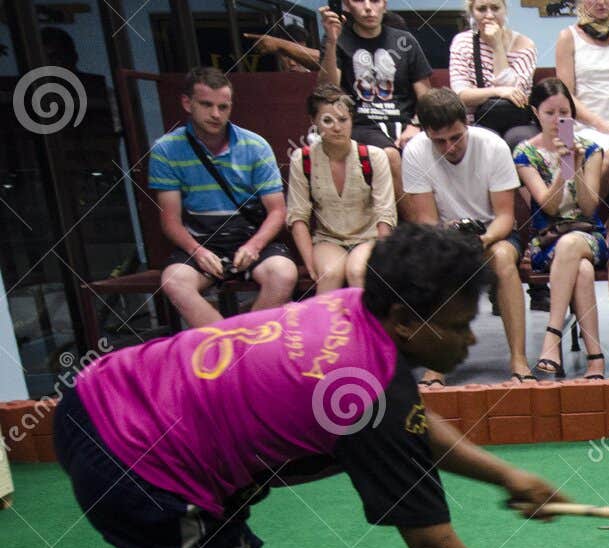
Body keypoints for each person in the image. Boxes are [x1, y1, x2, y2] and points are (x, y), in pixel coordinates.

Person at [0, 226, 589, 548]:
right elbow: (432, 542)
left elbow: (411, 418)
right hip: (135, 466)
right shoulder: (367, 393)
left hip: (103, 396)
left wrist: (503, 475)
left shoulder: (362, 306)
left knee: (249, 479)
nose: (467, 342)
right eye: (460, 328)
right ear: (407, 321)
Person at [152, 68, 298, 330]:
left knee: (284, 273)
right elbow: (170, 221)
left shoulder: (255, 146)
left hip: (251, 234)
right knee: (174, 281)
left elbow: (277, 211)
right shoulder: (166, 149)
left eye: (223, 106)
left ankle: (246, 344)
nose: (216, 114)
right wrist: (197, 250)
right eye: (206, 105)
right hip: (199, 239)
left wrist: (254, 246)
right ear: (188, 103)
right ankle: (228, 345)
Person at [401, 90, 529, 383]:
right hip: (445, 236)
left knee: (504, 261)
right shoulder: (415, 152)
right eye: (440, 141)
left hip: (491, 234)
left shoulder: (493, 146)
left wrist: (480, 241)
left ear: (467, 123)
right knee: (434, 268)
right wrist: (451, 243)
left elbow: (505, 217)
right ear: (426, 133)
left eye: (456, 137)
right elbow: (427, 221)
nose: (449, 147)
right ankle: (437, 364)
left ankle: (519, 359)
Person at [515, 79, 609, 382]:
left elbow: (588, 207)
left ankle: (551, 339)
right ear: (535, 113)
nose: (559, 120)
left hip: (589, 236)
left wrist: (578, 166)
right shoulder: (524, 154)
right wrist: (562, 168)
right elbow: (550, 208)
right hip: (547, 241)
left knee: (574, 248)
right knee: (580, 270)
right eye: (550, 113)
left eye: (565, 113)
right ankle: (595, 358)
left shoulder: (591, 150)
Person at [287, 85, 398, 293]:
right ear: (314, 122)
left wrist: (384, 257)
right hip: (328, 239)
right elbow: (297, 215)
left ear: (351, 119)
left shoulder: (374, 156)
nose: (336, 127)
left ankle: (365, 325)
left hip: (368, 236)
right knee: (329, 274)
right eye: (327, 120)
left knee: (358, 272)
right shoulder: (302, 159)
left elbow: (386, 213)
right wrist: (310, 264)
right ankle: (327, 326)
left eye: (343, 119)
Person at [318, 0, 433, 194]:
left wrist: (416, 125)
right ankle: (419, 222)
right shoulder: (338, 39)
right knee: (388, 155)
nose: (368, 7)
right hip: (361, 123)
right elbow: (327, 91)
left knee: (437, 147)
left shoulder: (405, 41)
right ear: (346, 5)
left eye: (375, 0)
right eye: (359, 0)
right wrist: (331, 41)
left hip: (404, 123)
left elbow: (426, 97)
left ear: (384, 4)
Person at [449, 0, 540, 151]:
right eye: (482, 9)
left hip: (517, 118)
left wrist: (497, 46)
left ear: (505, 10)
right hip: (476, 120)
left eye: (495, 8)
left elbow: (516, 94)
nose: (489, 15)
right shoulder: (462, 42)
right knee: (487, 140)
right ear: (472, 12)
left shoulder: (525, 45)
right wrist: (497, 91)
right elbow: (461, 95)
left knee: (518, 138)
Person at [556, 0, 609, 152]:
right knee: (603, 157)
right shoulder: (567, 37)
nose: (601, 3)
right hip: (583, 127)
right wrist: (599, 124)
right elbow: (566, 95)